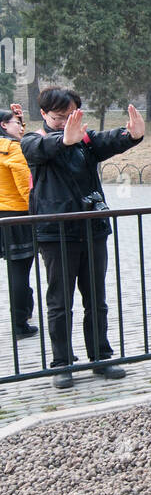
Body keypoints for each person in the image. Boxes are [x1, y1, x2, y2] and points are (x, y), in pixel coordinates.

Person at [22, 87, 145, 389]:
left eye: (72, 116)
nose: (66, 122)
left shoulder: (85, 142)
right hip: (55, 234)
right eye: (58, 117)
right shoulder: (32, 141)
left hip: (92, 229)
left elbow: (106, 140)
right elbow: (43, 149)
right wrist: (64, 139)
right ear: (43, 114)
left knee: (96, 299)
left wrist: (132, 135)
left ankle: (101, 356)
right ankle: (62, 364)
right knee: (59, 302)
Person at [0, 101, 37, 338]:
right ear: (3, 125)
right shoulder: (13, 149)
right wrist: (38, 212)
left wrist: (19, 119)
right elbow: (27, 186)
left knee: (16, 269)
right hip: (17, 215)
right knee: (20, 270)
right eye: (17, 123)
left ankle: (25, 311)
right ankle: (20, 324)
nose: (22, 127)